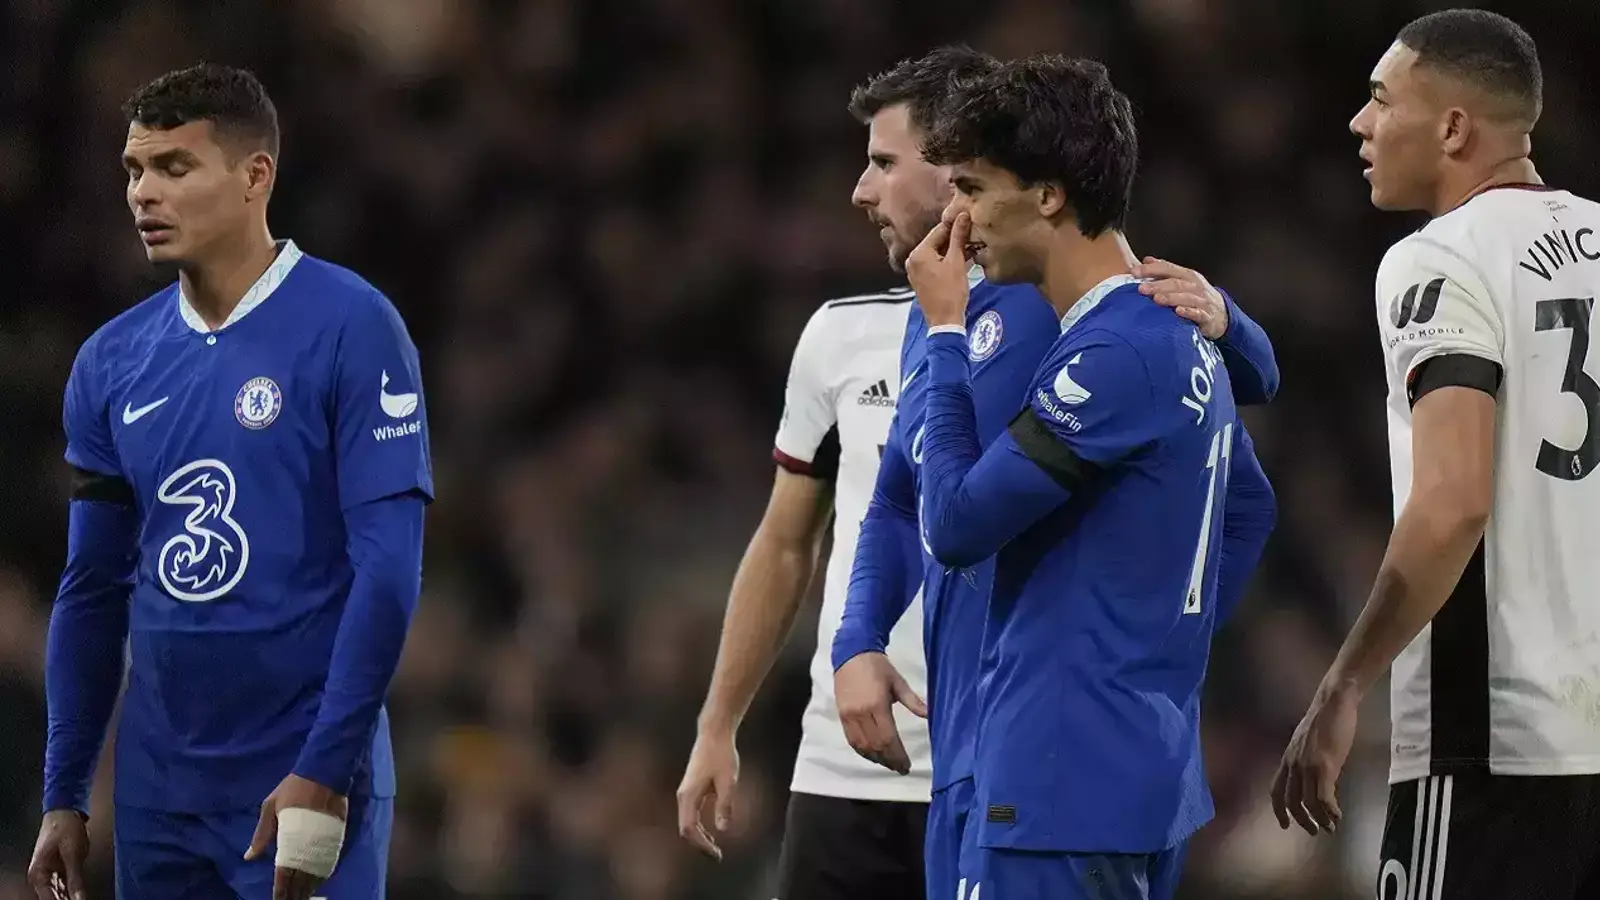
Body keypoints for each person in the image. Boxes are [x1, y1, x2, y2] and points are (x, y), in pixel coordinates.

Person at [830, 51, 1279, 900]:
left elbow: (956, 522)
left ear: (1043, 193)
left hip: (1046, 764)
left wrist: (1123, 651)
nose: (863, 190)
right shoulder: (977, 316)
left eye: (889, 163)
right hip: (1048, 752)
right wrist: (857, 637)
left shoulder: (1054, 325)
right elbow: (901, 485)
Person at [26, 64, 430, 900]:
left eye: (175, 167)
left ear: (255, 177)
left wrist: (324, 767)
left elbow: (388, 570)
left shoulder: (353, 326)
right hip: (158, 798)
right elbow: (91, 590)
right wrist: (64, 792)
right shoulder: (110, 362)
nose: (144, 192)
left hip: (305, 781)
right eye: (135, 170)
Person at [1273, 10, 1600, 899]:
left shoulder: (1441, 256)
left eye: (1381, 98)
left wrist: (1344, 682)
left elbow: (1453, 499)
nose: (1360, 122)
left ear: (1455, 128)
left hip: (1496, 746)